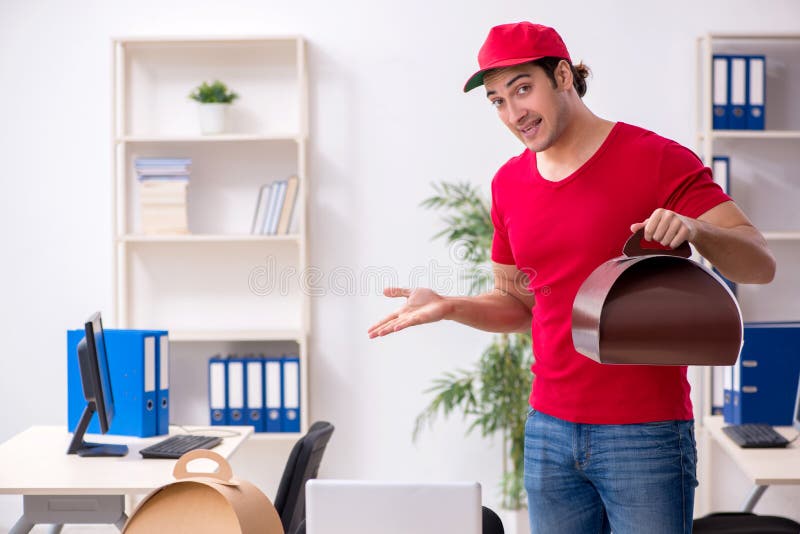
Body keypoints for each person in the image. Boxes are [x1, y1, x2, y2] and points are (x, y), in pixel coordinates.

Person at [367, 21, 776, 534]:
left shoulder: (657, 159)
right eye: (497, 100)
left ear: (562, 75)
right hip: (548, 434)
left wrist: (697, 229)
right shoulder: (509, 183)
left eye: (522, 88)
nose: (514, 113)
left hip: (644, 434)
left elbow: (759, 264)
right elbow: (521, 308)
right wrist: (450, 305)